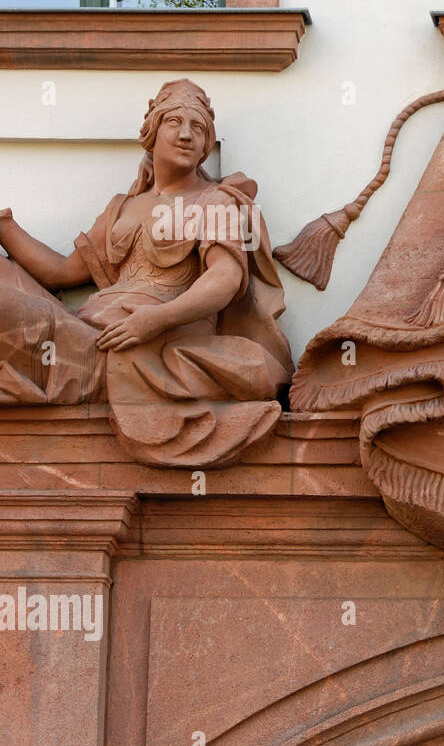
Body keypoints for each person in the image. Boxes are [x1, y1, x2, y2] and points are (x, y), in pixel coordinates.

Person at [0, 79, 292, 466]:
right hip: (83, 330)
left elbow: (225, 279)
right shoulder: (122, 206)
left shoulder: (215, 201)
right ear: (152, 133)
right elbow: (60, 272)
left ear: (206, 145)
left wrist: (155, 320)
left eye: (198, 128)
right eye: (174, 122)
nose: (186, 135)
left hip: (129, 352)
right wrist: (4, 226)